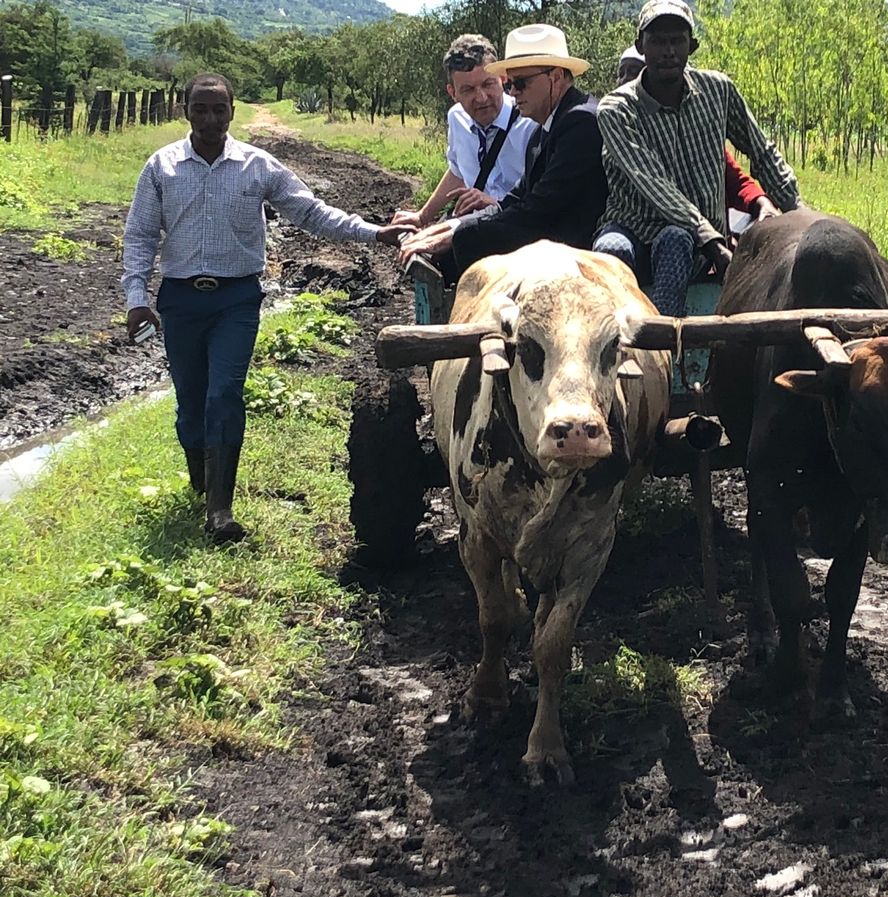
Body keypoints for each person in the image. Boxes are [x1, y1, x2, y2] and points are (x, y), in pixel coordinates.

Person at [122, 72, 407, 543]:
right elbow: (140, 236)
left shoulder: (258, 166)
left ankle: (220, 510)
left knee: (223, 395)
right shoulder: (161, 168)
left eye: (219, 110)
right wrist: (136, 299)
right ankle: (202, 484)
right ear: (185, 111)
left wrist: (375, 231)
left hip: (236, 299)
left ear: (233, 113)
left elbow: (312, 212)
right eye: (201, 109)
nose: (210, 119)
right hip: (180, 300)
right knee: (190, 403)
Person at [594, 0, 798, 316]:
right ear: (640, 46)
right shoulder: (617, 110)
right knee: (611, 251)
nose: (668, 50)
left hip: (694, 242)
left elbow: (760, 150)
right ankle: (618, 346)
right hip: (634, 227)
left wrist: (794, 206)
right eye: (658, 41)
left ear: (692, 46)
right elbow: (653, 184)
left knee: (676, 239)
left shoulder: (718, 91)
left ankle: (663, 348)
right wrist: (712, 241)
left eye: (677, 40)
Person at [399, 24, 607, 277]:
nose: (513, 92)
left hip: (577, 260)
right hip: (550, 248)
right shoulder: (546, 126)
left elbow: (539, 211)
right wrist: (450, 226)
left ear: (555, 77)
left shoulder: (580, 122)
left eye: (521, 83)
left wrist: (458, 235)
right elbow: (515, 200)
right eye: (510, 84)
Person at [614, 45, 780, 237]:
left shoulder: (697, 132)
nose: (625, 78)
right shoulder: (617, 124)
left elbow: (734, 180)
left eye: (634, 71)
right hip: (647, 231)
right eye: (622, 72)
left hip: (699, 235)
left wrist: (760, 201)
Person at [391, 34, 539, 238]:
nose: (481, 97)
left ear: (503, 79)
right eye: (468, 89)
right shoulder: (456, 118)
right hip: (471, 226)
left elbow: (541, 203)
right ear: (452, 93)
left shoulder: (530, 122)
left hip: (515, 228)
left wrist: (495, 205)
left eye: (488, 84)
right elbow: (457, 172)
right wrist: (422, 217)